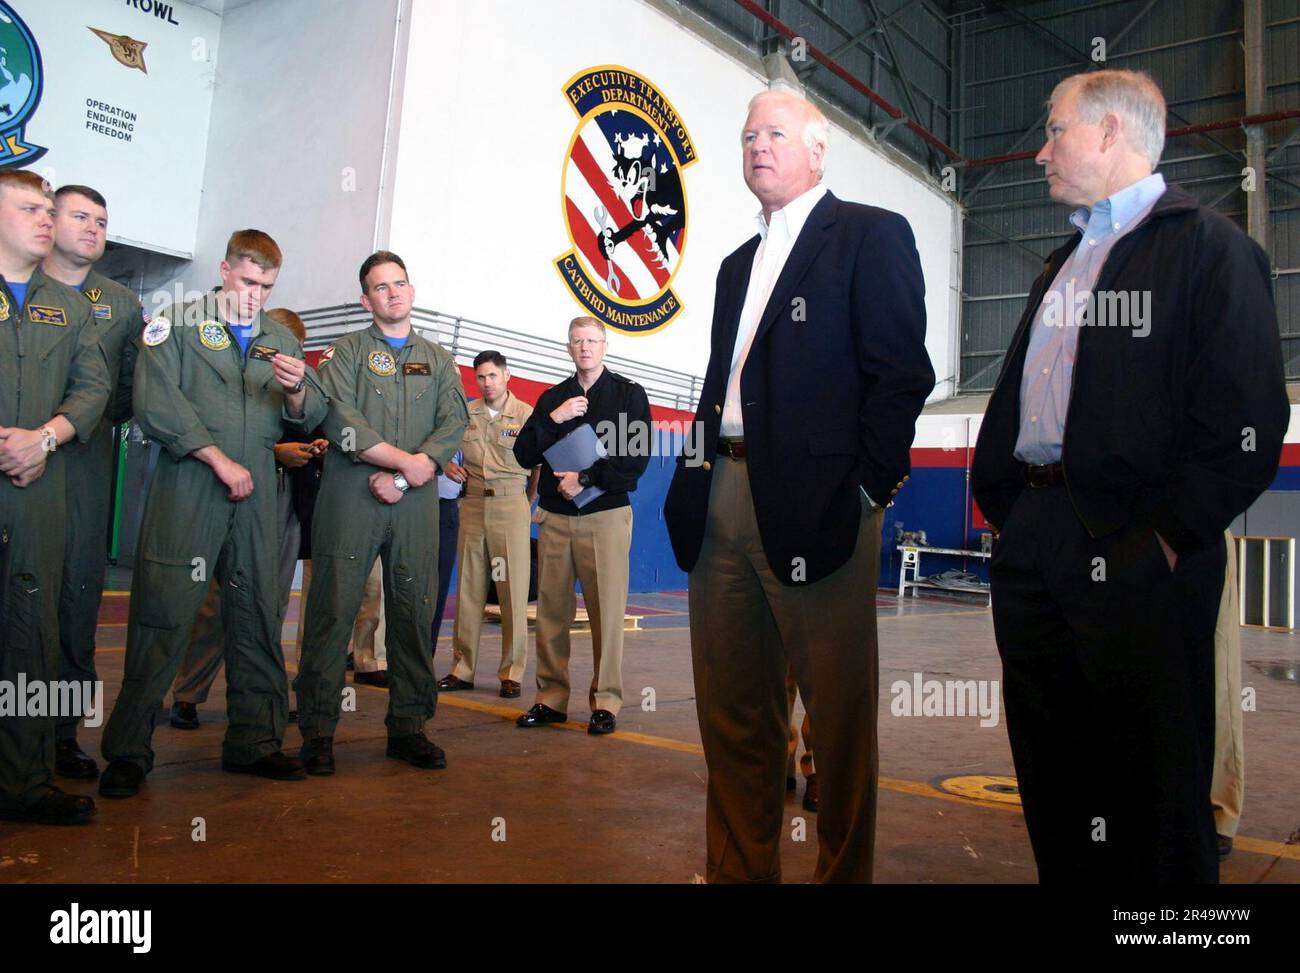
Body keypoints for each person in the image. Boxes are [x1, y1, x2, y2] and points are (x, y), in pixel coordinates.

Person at [970, 69, 1288, 883]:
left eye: (1056, 130)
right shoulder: (1065, 261)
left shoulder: (1212, 250)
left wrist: (1170, 539)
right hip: (1038, 541)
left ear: (1111, 133)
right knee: (1054, 777)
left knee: (1155, 792)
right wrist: (1009, 509)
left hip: (1140, 549)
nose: (1042, 150)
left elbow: (1247, 424)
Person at [663, 88, 934, 883]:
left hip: (824, 507)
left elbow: (901, 374)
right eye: (748, 134)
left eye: (776, 132)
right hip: (721, 502)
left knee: (839, 724)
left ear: (818, 149)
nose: (757, 145)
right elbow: (723, 384)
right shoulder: (733, 267)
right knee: (735, 720)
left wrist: (865, 492)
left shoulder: (871, 236)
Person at [99, 230, 328, 798]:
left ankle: (255, 742)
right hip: (190, 485)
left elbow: (310, 417)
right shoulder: (173, 323)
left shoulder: (280, 338)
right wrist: (217, 458)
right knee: (164, 614)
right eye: (249, 282)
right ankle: (129, 750)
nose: (255, 294)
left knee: (256, 614)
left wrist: (298, 393)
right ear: (225, 270)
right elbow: (154, 403)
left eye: (267, 286)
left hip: (256, 494)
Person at [294, 251, 467, 776]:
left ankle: (409, 726)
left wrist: (414, 471)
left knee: (414, 612)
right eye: (380, 287)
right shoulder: (343, 354)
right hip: (350, 497)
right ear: (365, 299)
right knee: (332, 611)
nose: (392, 293)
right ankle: (318, 730)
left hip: (413, 504)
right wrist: (406, 464)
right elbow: (336, 417)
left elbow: (453, 421)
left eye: (400, 284)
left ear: (411, 291)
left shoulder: (438, 359)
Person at [0, 170, 110, 825]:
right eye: (31, 208)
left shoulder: (68, 307)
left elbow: (92, 389)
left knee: (31, 639)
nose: (47, 218)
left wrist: (41, 439)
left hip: (38, 489)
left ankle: (25, 778)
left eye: (50, 209)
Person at [165, 308, 329, 728]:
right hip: (241, 492)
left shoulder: (301, 378)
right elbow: (229, 434)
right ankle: (188, 693)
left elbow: (310, 420)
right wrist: (277, 454)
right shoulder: (235, 374)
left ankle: (263, 697)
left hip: (288, 500)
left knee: (271, 603)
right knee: (218, 599)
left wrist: (315, 446)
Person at [39, 185, 143, 780]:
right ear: (51, 221)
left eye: (102, 222)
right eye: (80, 217)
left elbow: (130, 387)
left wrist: (89, 421)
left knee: (77, 602)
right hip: (15, 459)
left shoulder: (122, 303)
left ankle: (60, 736)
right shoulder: (17, 287)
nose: (92, 229)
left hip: (84, 465)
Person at [512, 317, 650, 736]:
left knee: (606, 612)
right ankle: (550, 699)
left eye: (592, 341)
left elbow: (634, 463)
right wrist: (554, 418)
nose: (585, 348)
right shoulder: (553, 397)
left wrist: (583, 479)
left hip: (604, 517)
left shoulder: (629, 394)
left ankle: (605, 702)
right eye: (577, 342)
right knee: (551, 612)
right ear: (568, 348)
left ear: (604, 346)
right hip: (554, 519)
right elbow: (523, 454)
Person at [439, 350, 538, 699]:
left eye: (493, 376)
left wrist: (526, 502)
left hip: (511, 501)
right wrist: (446, 466)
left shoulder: (526, 415)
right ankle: (461, 668)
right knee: (468, 588)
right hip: (473, 501)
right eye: (481, 377)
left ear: (507, 375)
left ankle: (512, 672)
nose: (487, 383)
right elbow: (442, 445)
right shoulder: (467, 414)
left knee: (511, 590)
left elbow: (538, 465)